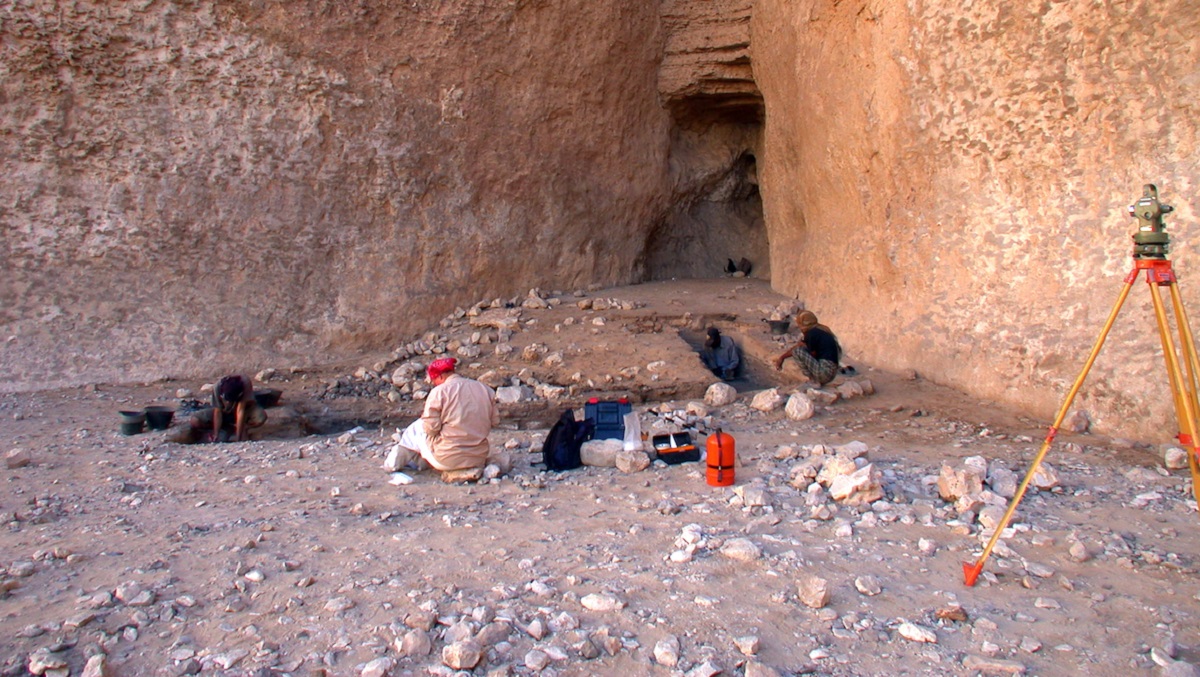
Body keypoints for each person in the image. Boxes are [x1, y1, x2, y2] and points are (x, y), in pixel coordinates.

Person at [391, 357, 499, 473]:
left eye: (434, 380)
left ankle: (392, 465)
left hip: (446, 460)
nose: (434, 384)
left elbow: (431, 428)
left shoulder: (439, 392)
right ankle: (422, 461)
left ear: (440, 377)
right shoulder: (485, 389)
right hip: (478, 458)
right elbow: (495, 421)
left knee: (416, 428)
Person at [174, 374, 268, 443]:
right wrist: (216, 434)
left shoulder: (245, 383)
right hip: (224, 412)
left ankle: (242, 429)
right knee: (195, 420)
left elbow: (240, 410)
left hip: (245, 410)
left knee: (260, 417)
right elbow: (217, 412)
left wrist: (239, 436)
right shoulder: (217, 387)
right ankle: (228, 429)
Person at [773, 310, 841, 386]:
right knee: (800, 349)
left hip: (824, 373)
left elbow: (811, 353)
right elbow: (801, 345)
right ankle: (816, 380)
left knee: (797, 351)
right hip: (831, 372)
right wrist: (783, 357)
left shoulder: (812, 333)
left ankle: (813, 380)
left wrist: (782, 358)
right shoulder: (820, 330)